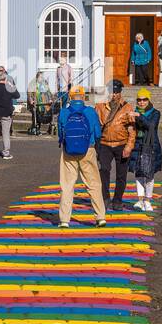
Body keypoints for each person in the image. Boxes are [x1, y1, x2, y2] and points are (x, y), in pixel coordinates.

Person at [57, 84, 107, 228]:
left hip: (68, 151)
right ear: (83, 97)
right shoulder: (90, 112)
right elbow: (98, 134)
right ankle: (100, 217)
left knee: (67, 185)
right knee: (93, 184)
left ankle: (64, 220)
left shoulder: (64, 112)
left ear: (70, 97)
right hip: (88, 150)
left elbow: (60, 133)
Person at [95, 80, 136, 211]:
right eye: (112, 92)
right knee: (104, 171)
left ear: (120, 93)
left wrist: (129, 146)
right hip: (104, 144)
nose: (114, 95)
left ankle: (117, 200)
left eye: (117, 92)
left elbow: (132, 129)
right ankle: (105, 199)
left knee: (121, 175)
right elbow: (97, 126)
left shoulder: (127, 107)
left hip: (121, 144)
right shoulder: (100, 106)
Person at [129, 88, 162, 212]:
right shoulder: (134, 113)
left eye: (144, 99)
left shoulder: (155, 113)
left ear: (149, 100)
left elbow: (151, 126)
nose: (141, 102)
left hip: (150, 145)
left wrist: (139, 116)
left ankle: (147, 200)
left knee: (149, 174)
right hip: (137, 144)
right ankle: (140, 199)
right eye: (139, 100)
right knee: (139, 173)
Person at [26, 70, 53, 135]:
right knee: (35, 116)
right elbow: (29, 93)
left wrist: (50, 99)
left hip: (43, 103)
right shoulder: (32, 83)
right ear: (37, 77)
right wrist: (31, 101)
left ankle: (35, 128)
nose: (42, 78)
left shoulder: (44, 83)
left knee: (40, 115)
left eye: (42, 77)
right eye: (41, 77)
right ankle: (35, 128)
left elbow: (48, 92)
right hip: (35, 103)